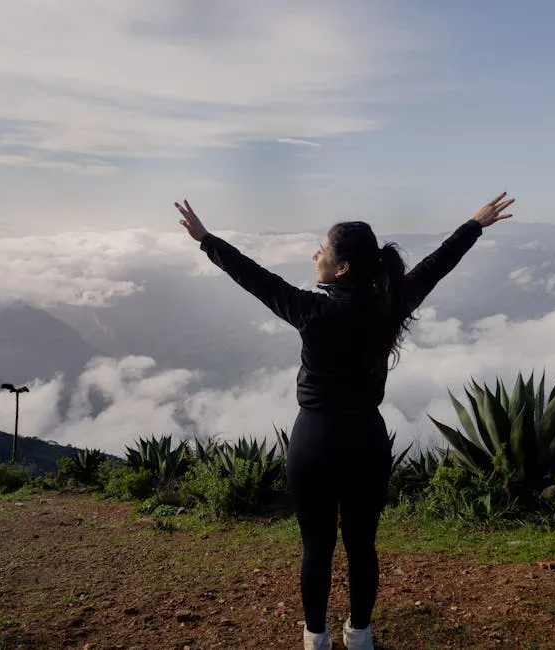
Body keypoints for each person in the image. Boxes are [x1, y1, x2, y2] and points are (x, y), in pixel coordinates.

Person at [175, 193, 515, 650]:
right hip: (366, 441)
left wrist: (206, 240)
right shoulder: (389, 305)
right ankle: (360, 636)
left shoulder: (313, 312)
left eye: (323, 251)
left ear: (342, 269)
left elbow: (256, 279)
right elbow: (437, 265)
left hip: (314, 441)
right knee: (362, 547)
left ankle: (316, 638)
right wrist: (473, 226)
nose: (315, 255)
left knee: (317, 548)